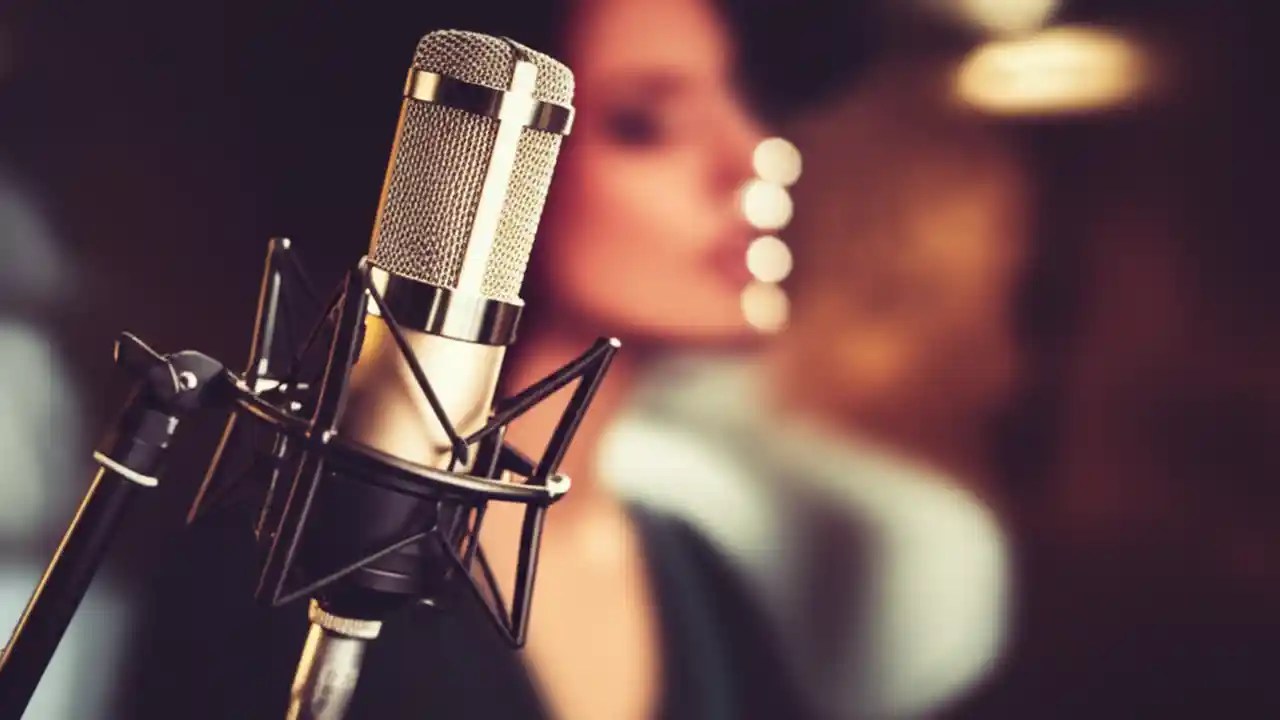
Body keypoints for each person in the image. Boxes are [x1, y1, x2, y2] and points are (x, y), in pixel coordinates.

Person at [121, 0, 822, 718]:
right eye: (645, 126)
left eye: (742, 99)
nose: (752, 157)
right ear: (485, 180)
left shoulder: (702, 577)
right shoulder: (264, 564)